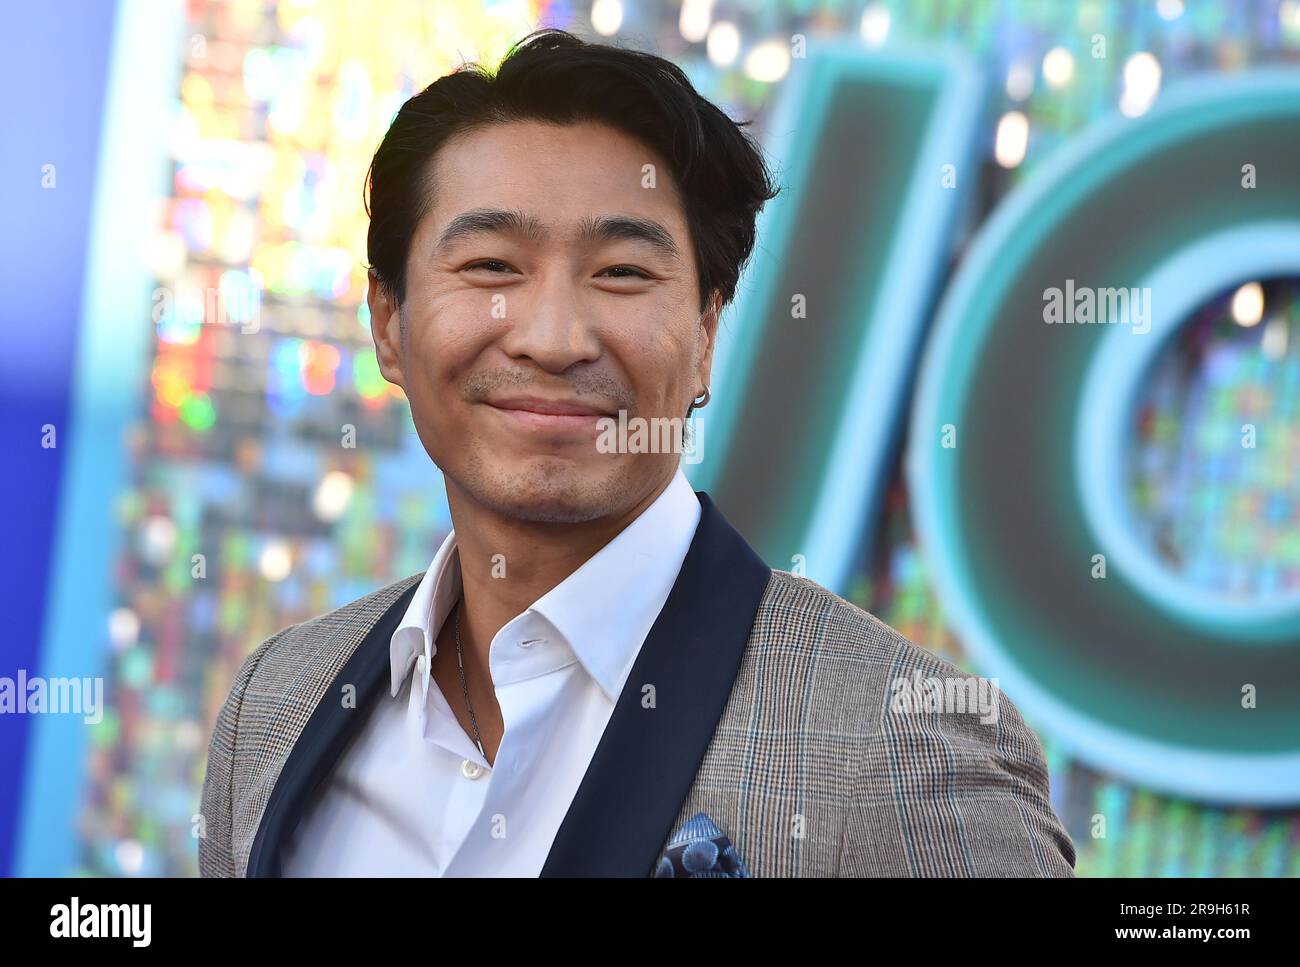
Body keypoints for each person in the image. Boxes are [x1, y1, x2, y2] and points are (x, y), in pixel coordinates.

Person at [199, 28, 1075, 877]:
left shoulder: (895, 743)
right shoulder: (276, 706)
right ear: (388, 322)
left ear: (705, 335)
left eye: (621, 273)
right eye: (492, 266)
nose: (551, 339)